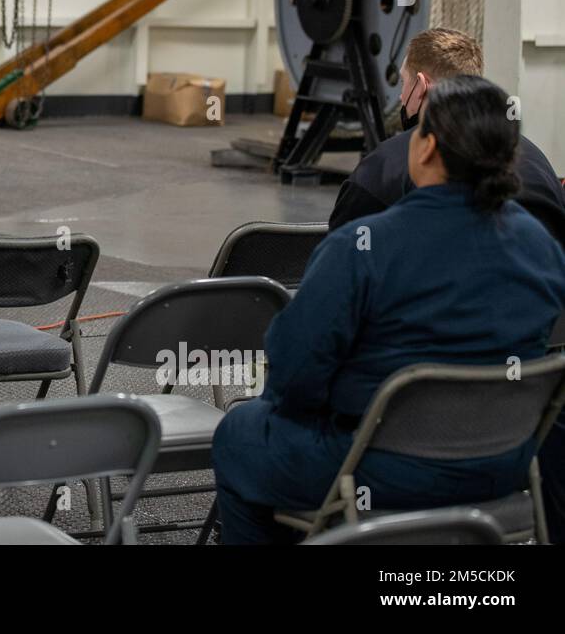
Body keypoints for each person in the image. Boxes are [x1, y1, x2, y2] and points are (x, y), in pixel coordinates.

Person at [213, 75, 565, 544]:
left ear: (427, 148)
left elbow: (293, 373)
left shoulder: (362, 248)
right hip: (504, 463)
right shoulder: (541, 246)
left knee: (239, 434)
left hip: (377, 468)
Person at [330, 27, 565, 246]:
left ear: (421, 85)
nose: (402, 97)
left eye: (404, 82)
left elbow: (343, 258)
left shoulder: (383, 167)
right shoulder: (536, 160)